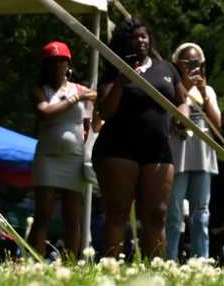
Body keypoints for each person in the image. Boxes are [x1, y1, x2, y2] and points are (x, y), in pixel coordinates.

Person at [93, 17, 183, 260]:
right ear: (125, 42)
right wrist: (121, 82)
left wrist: (181, 118)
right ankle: (110, 267)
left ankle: (156, 271)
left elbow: (182, 101)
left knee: (157, 214)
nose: (140, 40)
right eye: (134, 37)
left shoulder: (166, 69)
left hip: (158, 150)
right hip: (118, 149)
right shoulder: (114, 69)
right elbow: (105, 111)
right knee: (118, 212)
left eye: (144, 35)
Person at [27, 40, 95, 260]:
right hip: (47, 157)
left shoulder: (81, 90)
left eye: (61, 61)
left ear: (68, 65)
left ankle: (70, 263)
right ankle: (37, 260)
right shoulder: (40, 91)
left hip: (74, 158)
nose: (57, 66)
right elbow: (45, 112)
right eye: (52, 62)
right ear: (45, 66)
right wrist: (76, 98)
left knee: (72, 216)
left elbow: (93, 112)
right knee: (43, 212)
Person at [168, 43, 222, 262]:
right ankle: (168, 260)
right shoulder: (171, 88)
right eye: (187, 62)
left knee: (201, 217)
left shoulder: (208, 91)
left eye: (196, 63)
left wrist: (203, 94)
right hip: (177, 158)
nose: (192, 66)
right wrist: (185, 88)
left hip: (202, 159)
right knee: (173, 216)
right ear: (176, 64)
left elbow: (217, 125)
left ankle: (201, 262)